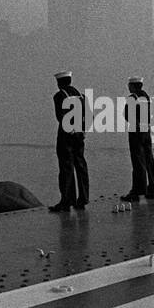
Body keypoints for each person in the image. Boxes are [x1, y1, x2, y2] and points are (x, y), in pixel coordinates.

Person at [49, 70, 90, 212]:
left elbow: (60, 116)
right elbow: (88, 116)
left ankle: (67, 200)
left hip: (66, 135)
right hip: (79, 134)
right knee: (81, 165)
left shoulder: (59, 96)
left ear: (59, 83)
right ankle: (83, 198)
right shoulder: (81, 96)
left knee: (66, 167)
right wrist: (83, 131)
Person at [120, 75, 154, 202]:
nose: (128, 87)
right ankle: (152, 188)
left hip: (136, 133)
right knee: (149, 159)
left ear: (133, 86)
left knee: (137, 161)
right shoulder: (147, 99)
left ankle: (137, 191)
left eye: (129, 85)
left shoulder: (133, 98)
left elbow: (126, 115)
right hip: (146, 132)